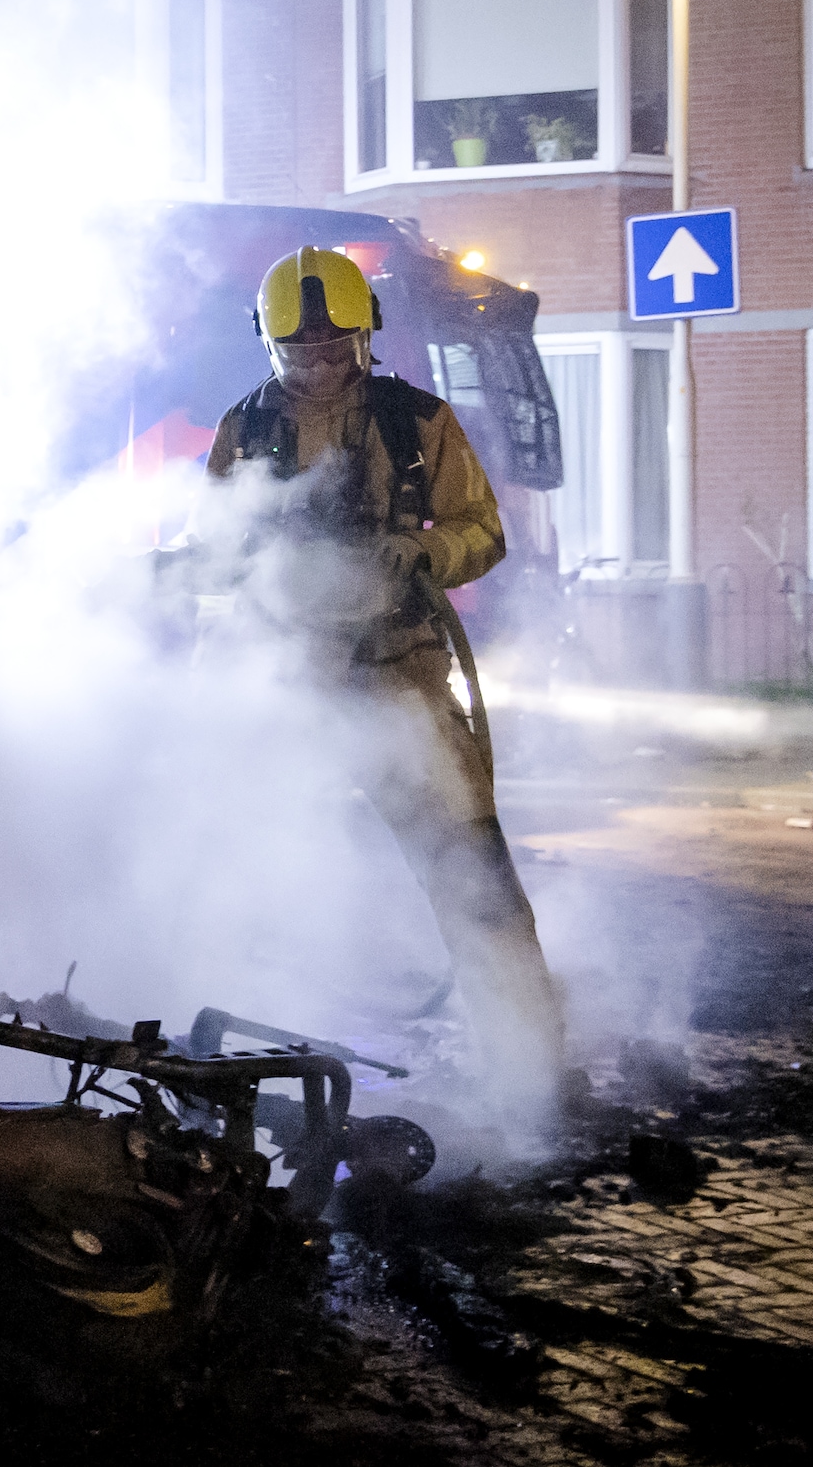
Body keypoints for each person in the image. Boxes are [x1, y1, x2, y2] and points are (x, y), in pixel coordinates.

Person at [204, 246, 563, 1112]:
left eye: (336, 348)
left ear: (366, 336)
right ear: (270, 346)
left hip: (403, 677)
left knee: (471, 869)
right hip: (288, 683)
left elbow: (484, 528)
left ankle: (532, 1070)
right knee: (229, 866)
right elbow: (217, 548)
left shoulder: (417, 421)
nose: (320, 366)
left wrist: (426, 550)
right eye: (302, 352)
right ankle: (229, 1062)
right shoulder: (244, 430)